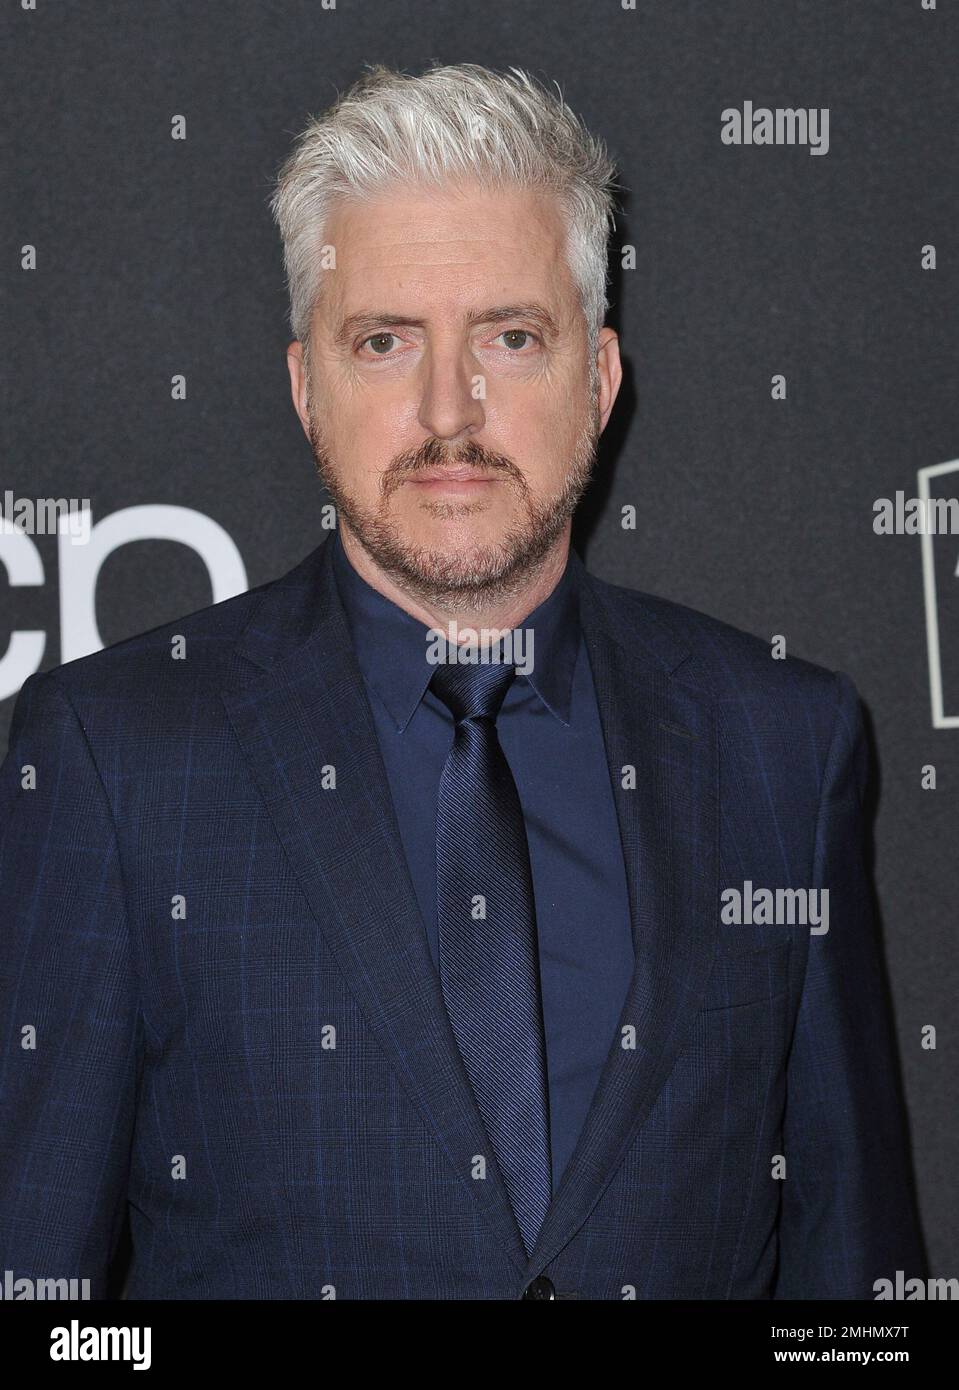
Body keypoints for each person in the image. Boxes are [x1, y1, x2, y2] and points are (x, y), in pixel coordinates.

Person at [0, 62, 925, 1300]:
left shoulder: (780, 744)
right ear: (303, 387)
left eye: (509, 336)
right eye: (384, 341)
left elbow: (849, 1279)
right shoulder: (117, 754)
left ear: (596, 381)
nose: (449, 407)